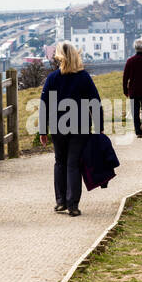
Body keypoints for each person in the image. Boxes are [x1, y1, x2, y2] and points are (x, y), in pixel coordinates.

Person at [39, 41, 102, 216]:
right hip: (80, 126)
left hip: (58, 127)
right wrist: (99, 127)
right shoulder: (84, 77)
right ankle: (73, 204)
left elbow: (44, 105)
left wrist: (43, 130)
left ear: (59, 57)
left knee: (60, 162)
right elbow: (95, 103)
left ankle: (61, 202)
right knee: (73, 164)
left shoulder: (52, 78)